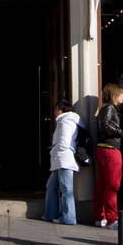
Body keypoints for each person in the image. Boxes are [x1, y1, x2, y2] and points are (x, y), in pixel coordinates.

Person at [43, 97, 82, 226]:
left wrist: (55, 151)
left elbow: (64, 142)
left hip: (64, 159)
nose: (54, 112)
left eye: (55, 109)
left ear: (60, 110)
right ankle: (51, 214)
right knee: (52, 186)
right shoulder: (67, 120)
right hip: (60, 159)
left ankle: (69, 218)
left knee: (66, 189)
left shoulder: (65, 121)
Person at [93, 83, 123, 227]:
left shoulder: (107, 108)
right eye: (121, 93)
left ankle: (100, 216)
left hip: (104, 148)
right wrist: (120, 132)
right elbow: (106, 125)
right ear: (114, 95)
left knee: (103, 184)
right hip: (110, 148)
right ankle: (112, 218)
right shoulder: (110, 108)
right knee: (112, 185)